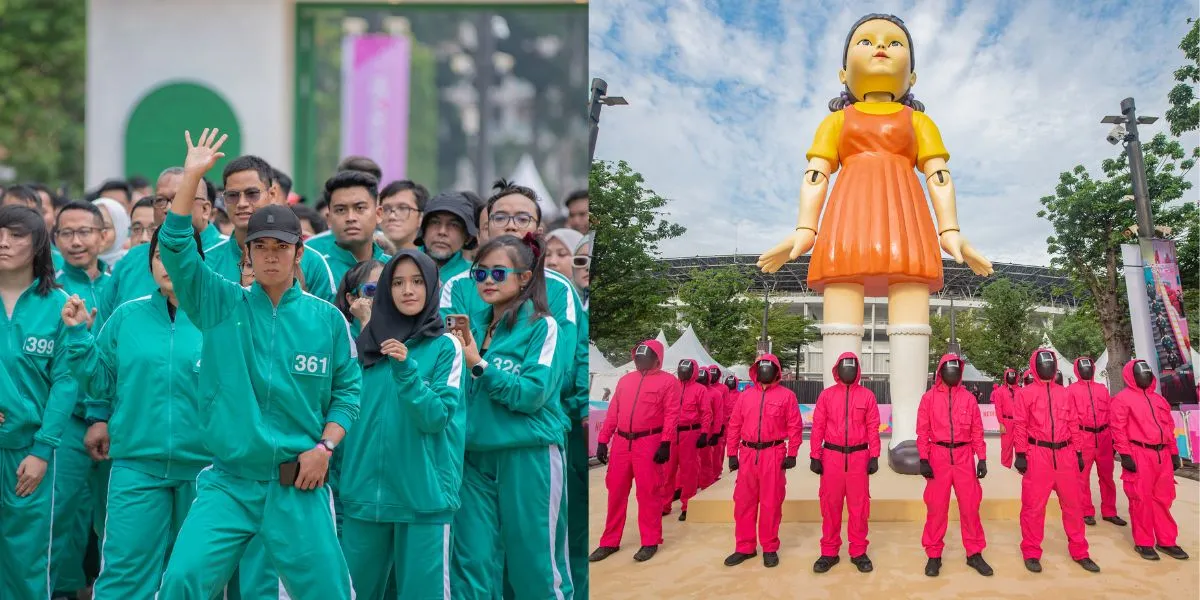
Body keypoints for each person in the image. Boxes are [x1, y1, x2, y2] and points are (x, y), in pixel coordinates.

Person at [756, 13, 994, 475]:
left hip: (908, 220)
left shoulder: (919, 122)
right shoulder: (835, 122)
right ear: (843, 72)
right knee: (840, 320)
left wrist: (951, 232)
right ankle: (837, 432)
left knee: (911, 322)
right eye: (865, 41)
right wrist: (805, 230)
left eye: (893, 42)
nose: (880, 47)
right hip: (847, 221)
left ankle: (906, 432)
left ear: (913, 76)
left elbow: (939, 174)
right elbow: (816, 173)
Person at [153, 129, 360, 599]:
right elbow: (177, 247)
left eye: (280, 247)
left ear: (298, 252)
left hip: (297, 482)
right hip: (229, 483)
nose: (270, 256)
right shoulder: (220, 302)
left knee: (329, 591)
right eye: (261, 247)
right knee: (182, 580)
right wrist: (191, 178)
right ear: (246, 253)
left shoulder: (327, 320)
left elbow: (348, 392)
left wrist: (325, 447)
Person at [61, 226, 210, 599]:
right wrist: (78, 337)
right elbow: (100, 383)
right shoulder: (128, 316)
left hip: (205, 469)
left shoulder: (220, 316)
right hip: (137, 464)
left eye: (179, 254)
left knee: (191, 578)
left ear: (198, 261)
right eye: (160, 256)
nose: (168, 264)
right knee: (124, 575)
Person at [449, 234, 572, 599]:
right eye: (480, 272)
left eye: (499, 273)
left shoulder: (542, 326)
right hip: (473, 460)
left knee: (534, 567)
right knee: (471, 565)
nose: (488, 280)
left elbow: (532, 394)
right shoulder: (470, 327)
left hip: (528, 456)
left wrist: (479, 365)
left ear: (524, 278)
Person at [340, 250, 467, 598]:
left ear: (432, 287)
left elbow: (436, 417)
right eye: (397, 282)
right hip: (363, 497)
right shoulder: (364, 345)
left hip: (424, 499)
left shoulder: (446, 347)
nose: (407, 290)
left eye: (417, 281)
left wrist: (406, 370)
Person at [0, 205, 78, 600]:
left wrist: (43, 449)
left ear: (37, 246)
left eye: (15, 235)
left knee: (27, 559)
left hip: (27, 454)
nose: (3, 242)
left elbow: (66, 383)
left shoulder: (59, 305)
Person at [49, 201, 112, 595]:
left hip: (118, 421)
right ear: (55, 239)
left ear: (103, 236)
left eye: (84, 232)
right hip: (67, 422)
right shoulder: (50, 289)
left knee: (115, 520)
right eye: (66, 233)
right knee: (60, 515)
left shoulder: (120, 284)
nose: (76, 242)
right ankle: (60, 590)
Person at [202, 155, 338, 303]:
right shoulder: (207, 261)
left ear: (272, 194)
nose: (241, 203)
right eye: (232, 195)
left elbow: (326, 315)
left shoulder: (311, 261)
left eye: (252, 194)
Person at [591, 340, 681, 563]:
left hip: (649, 442)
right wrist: (603, 440)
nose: (640, 360)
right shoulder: (625, 381)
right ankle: (609, 541)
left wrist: (666, 443)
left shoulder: (668, 382)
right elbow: (613, 412)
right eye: (638, 356)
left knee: (649, 493)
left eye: (645, 357)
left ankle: (650, 540)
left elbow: (672, 414)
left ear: (656, 359)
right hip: (622, 443)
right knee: (616, 492)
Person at [1012, 349, 1099, 573]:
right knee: (1033, 507)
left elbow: (1073, 424)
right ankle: (1031, 551)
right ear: (1035, 367)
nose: (1048, 368)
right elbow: (1020, 425)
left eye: (1051, 364)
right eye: (1043, 364)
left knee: (1074, 506)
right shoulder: (1025, 394)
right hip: (1037, 454)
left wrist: (1078, 452)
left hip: (1065, 454)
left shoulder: (1065, 393)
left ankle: (1080, 551)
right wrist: (1020, 454)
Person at [916, 354, 993, 577]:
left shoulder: (968, 399)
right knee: (936, 508)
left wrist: (982, 458)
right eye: (949, 369)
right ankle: (934, 554)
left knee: (970, 507)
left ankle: (974, 553)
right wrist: (923, 459)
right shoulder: (928, 399)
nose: (953, 373)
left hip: (964, 457)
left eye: (957, 370)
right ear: (941, 372)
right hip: (937, 456)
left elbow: (977, 430)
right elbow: (922, 431)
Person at [724, 354, 802, 568]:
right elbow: (734, 425)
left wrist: (792, 453)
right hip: (747, 454)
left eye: (769, 368)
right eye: (761, 367)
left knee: (771, 503)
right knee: (743, 502)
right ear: (755, 371)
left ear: (776, 371)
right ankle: (745, 547)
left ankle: (769, 547)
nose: (764, 371)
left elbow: (795, 425)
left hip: (773, 454)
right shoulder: (745, 396)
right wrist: (732, 453)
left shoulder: (787, 396)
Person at [104, 175, 221, 318]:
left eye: (180, 199)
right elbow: (104, 326)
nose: (168, 208)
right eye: (160, 200)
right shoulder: (132, 258)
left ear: (205, 209)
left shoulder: (231, 254)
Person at [1110, 359, 1190, 561]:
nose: (1145, 376)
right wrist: (1125, 454)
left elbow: (1169, 428)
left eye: (1147, 373)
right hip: (1139, 453)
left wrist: (1174, 453)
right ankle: (1144, 542)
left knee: (1163, 499)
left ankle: (1166, 541)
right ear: (1132, 376)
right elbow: (1118, 428)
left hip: (1162, 454)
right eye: (1140, 373)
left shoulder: (1159, 400)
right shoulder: (1122, 399)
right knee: (1140, 500)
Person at [810, 352, 880, 574]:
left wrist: (874, 455)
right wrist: (815, 455)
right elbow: (818, 426)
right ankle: (829, 552)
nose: (848, 371)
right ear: (837, 370)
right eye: (844, 367)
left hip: (859, 458)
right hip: (832, 457)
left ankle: (858, 551)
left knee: (859, 508)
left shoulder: (867, 396)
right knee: (830, 506)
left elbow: (873, 427)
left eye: (852, 367)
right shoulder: (827, 396)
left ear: (857, 370)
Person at [305, 171, 391, 287]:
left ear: (378, 214)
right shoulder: (311, 265)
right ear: (329, 219)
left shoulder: (393, 267)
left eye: (360, 208)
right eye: (341, 210)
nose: (350, 218)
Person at [1069, 356, 1125, 528]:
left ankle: (1109, 511)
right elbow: (1069, 418)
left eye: (1089, 367)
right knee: (1081, 477)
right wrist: (1075, 444)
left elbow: (1111, 413)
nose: (1086, 370)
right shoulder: (1070, 391)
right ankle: (1086, 511)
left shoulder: (1102, 389)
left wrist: (1114, 440)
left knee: (1107, 477)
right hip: (1083, 436)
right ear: (1077, 370)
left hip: (1104, 437)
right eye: (1083, 367)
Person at [660, 358, 711, 521]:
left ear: (693, 372)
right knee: (667, 471)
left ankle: (687, 505)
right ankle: (664, 505)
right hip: (671, 433)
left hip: (690, 434)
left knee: (689, 471)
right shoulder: (672, 387)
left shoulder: (700, 390)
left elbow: (706, 413)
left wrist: (704, 433)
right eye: (681, 369)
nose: (683, 372)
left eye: (686, 370)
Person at [418, 191, 478, 283]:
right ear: (423, 231)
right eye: (435, 222)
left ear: (467, 237)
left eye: (454, 225)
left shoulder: (475, 277)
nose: (442, 232)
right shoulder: (400, 266)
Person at [335, 258, 385, 339]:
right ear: (352, 299)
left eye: (387, 287)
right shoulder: (343, 334)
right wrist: (365, 321)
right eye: (372, 289)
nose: (383, 294)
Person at [378, 180, 429, 251]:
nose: (392, 216)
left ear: (421, 217)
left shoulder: (433, 255)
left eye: (402, 208)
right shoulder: (368, 254)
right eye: (386, 209)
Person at [704, 365, 728, 487]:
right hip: (703, 426)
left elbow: (724, 408)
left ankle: (716, 472)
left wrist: (721, 426)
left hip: (716, 425)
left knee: (717, 450)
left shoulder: (722, 389)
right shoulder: (701, 389)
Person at [993, 368, 1019, 469]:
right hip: (1006, 422)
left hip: (1019, 423)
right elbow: (998, 408)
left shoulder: (1021, 391)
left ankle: (1022, 468)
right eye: (1009, 375)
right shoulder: (999, 391)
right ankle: (1005, 467)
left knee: (1020, 446)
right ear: (1006, 377)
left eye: (1013, 375)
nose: (1011, 378)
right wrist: (1001, 423)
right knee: (1006, 446)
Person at [93, 197, 130, 267]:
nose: (98, 234)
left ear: (120, 230)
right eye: (91, 228)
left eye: (105, 227)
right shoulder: (76, 263)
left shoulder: (132, 263)